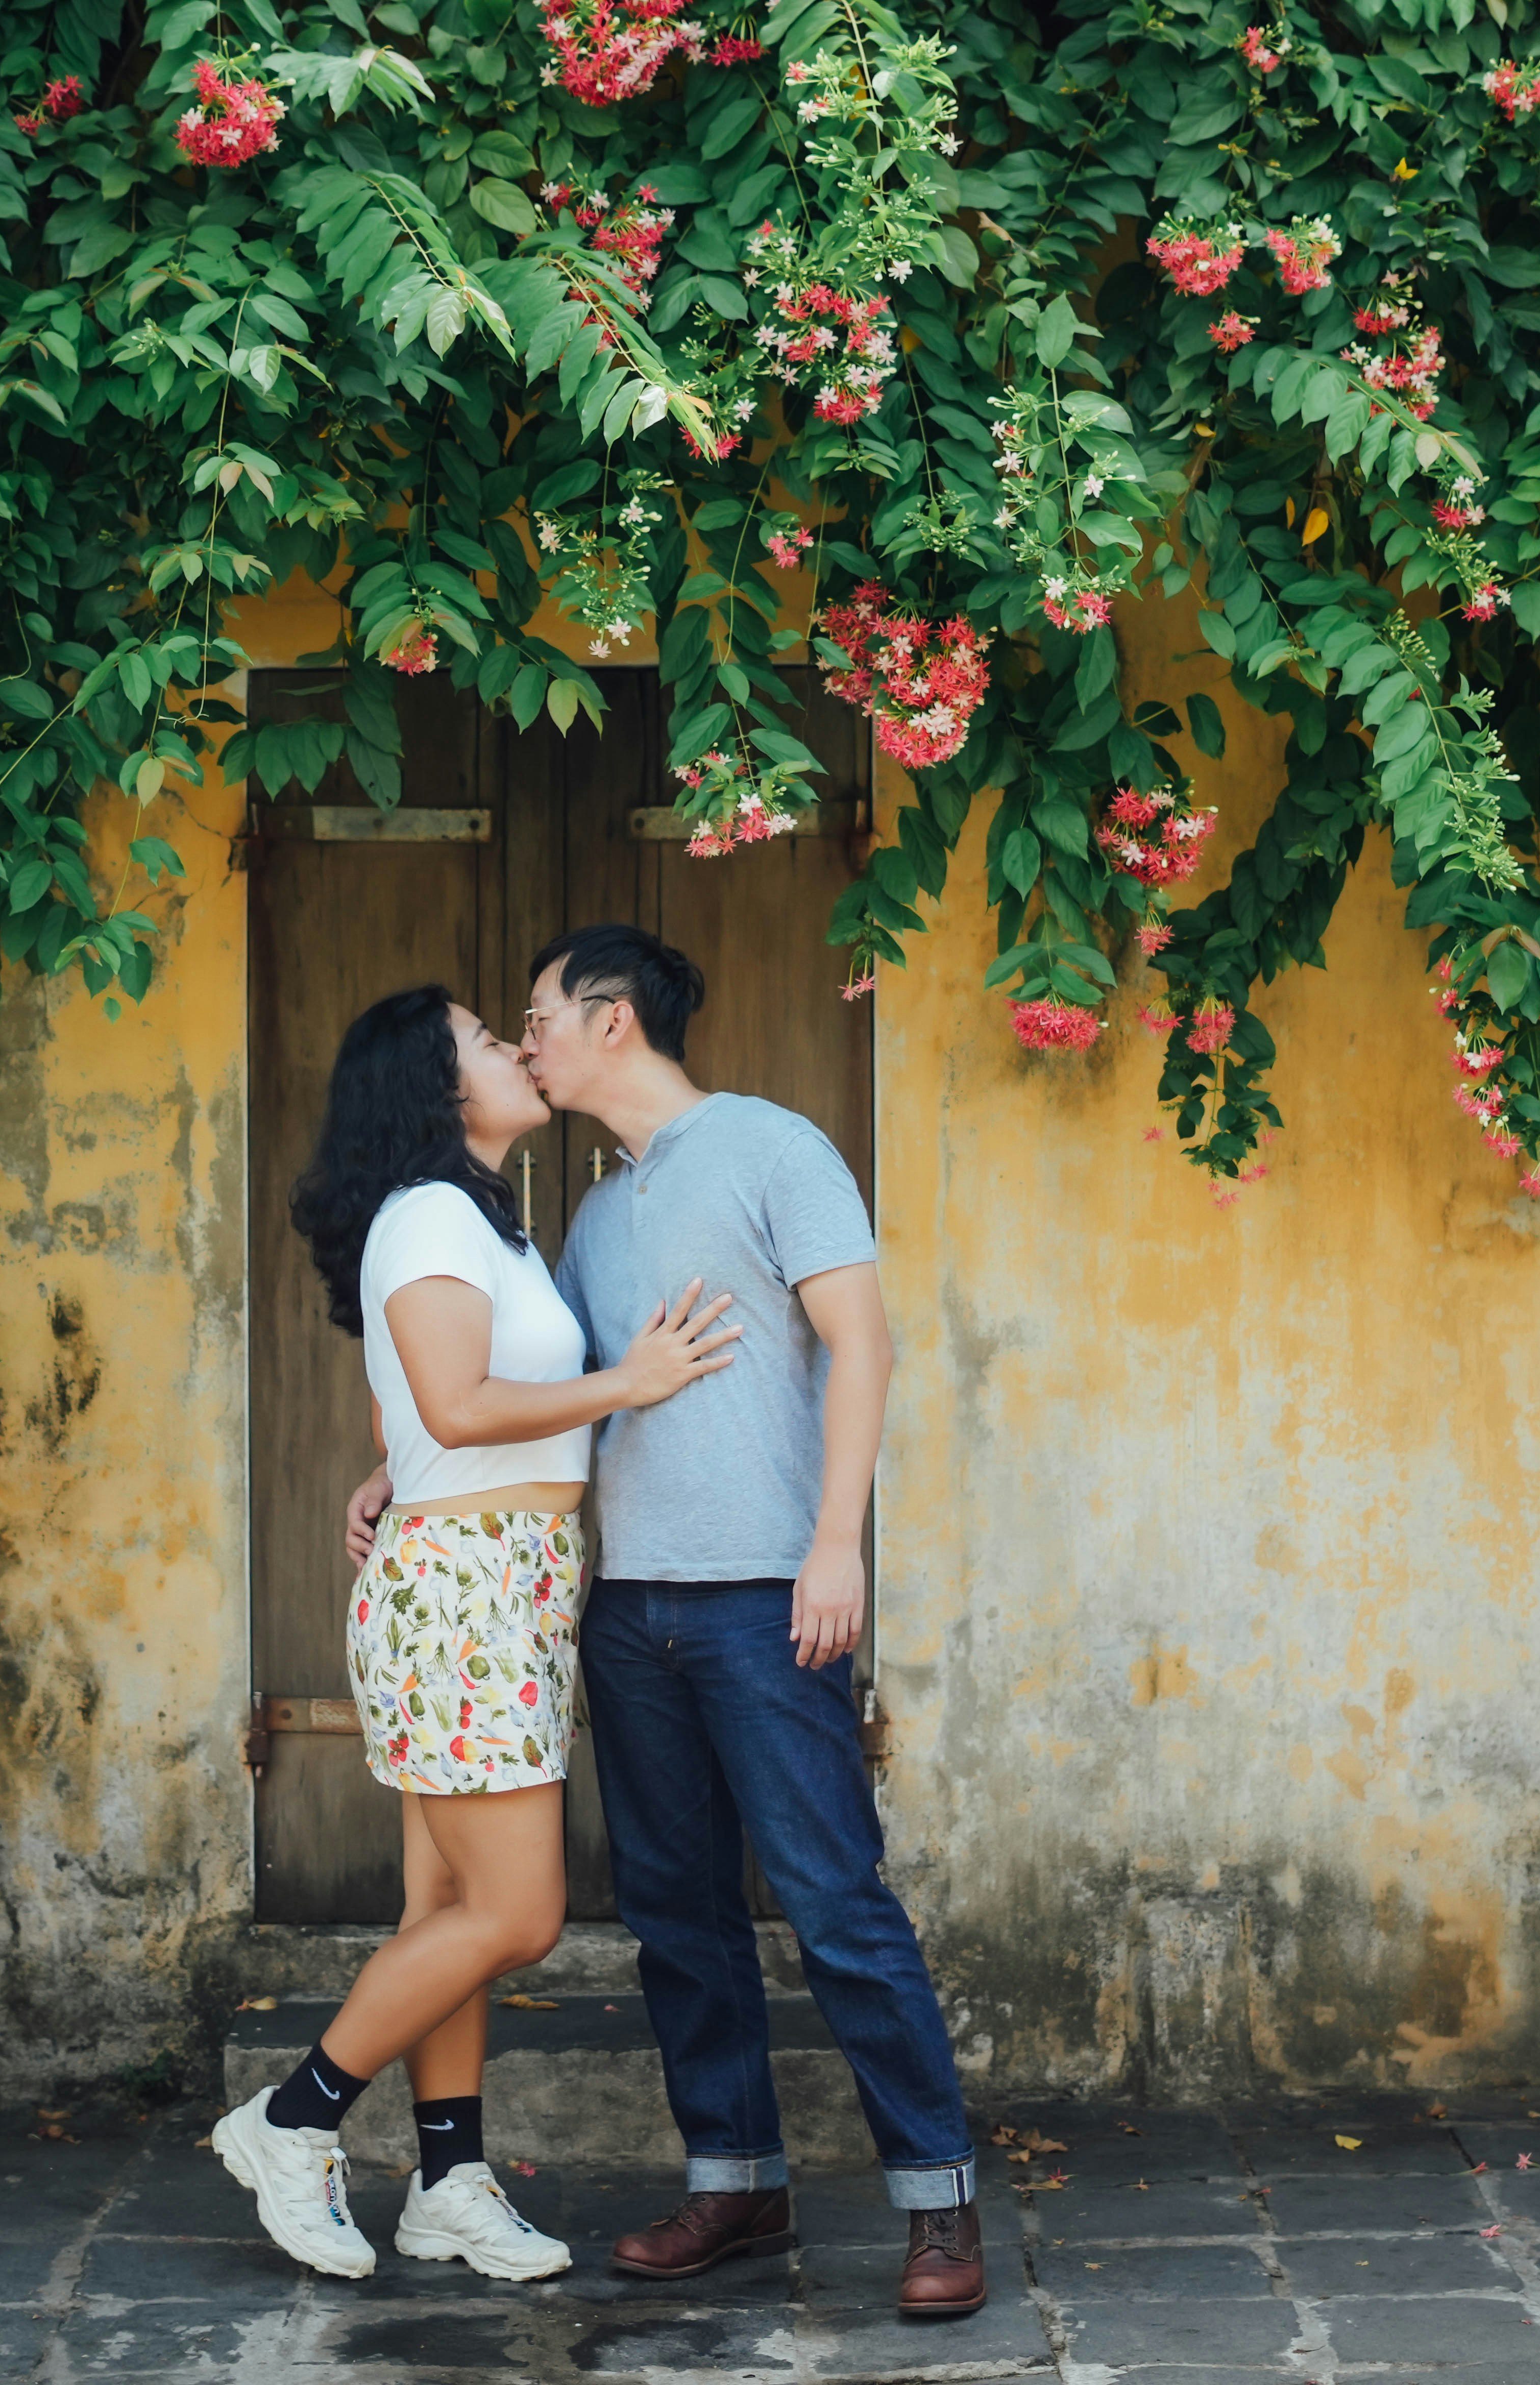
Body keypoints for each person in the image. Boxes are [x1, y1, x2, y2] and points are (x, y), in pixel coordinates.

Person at [346, 925, 987, 2319]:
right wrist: (406, 1466)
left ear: (613, 1020)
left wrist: (835, 1544)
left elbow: (863, 1341)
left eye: (540, 1018)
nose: (527, 1042)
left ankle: (938, 2206)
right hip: (627, 1613)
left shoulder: (772, 1148)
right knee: (679, 1918)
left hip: (770, 1597)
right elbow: (548, 1381)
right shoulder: (593, 1215)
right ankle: (735, 2181)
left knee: (832, 1900)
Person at [222, 984, 739, 2282]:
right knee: (518, 1910)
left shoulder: (483, 1225)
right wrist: (633, 1379)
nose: (516, 1046)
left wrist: (394, 1466)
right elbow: (458, 1399)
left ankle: (449, 2177)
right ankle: (292, 2118)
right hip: (466, 1590)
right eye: (483, 1038)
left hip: (499, 1573)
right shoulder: (433, 1215)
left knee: (447, 1901)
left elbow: (430, 1407)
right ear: (433, 1087)